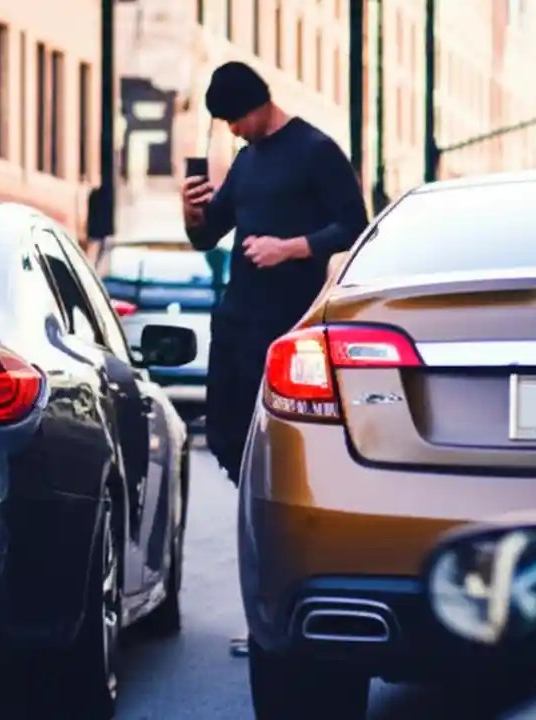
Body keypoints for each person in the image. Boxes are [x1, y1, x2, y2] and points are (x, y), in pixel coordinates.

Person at [180, 61, 369, 656]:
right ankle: (266, 591)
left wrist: (291, 248)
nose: (232, 130)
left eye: (235, 117)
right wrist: (192, 213)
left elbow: (355, 225)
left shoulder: (315, 151)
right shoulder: (246, 161)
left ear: (257, 104)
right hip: (237, 324)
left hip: (285, 331)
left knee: (275, 464)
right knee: (232, 447)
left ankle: (272, 614)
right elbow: (209, 236)